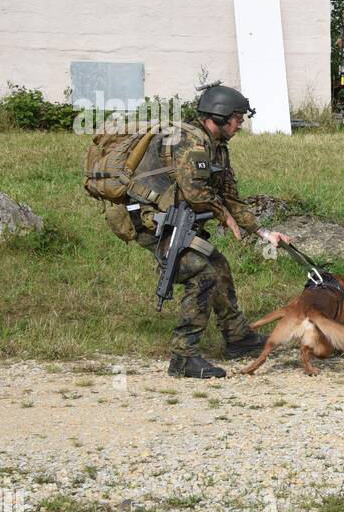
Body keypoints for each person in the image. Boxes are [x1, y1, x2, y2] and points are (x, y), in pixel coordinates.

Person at [124, 84, 292, 378]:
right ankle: (183, 356)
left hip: (176, 219)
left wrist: (264, 232)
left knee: (218, 265)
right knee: (202, 274)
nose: (241, 124)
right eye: (238, 118)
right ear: (220, 115)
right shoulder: (192, 144)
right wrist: (224, 216)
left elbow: (230, 197)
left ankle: (238, 338)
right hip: (153, 222)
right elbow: (196, 193)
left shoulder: (218, 149)